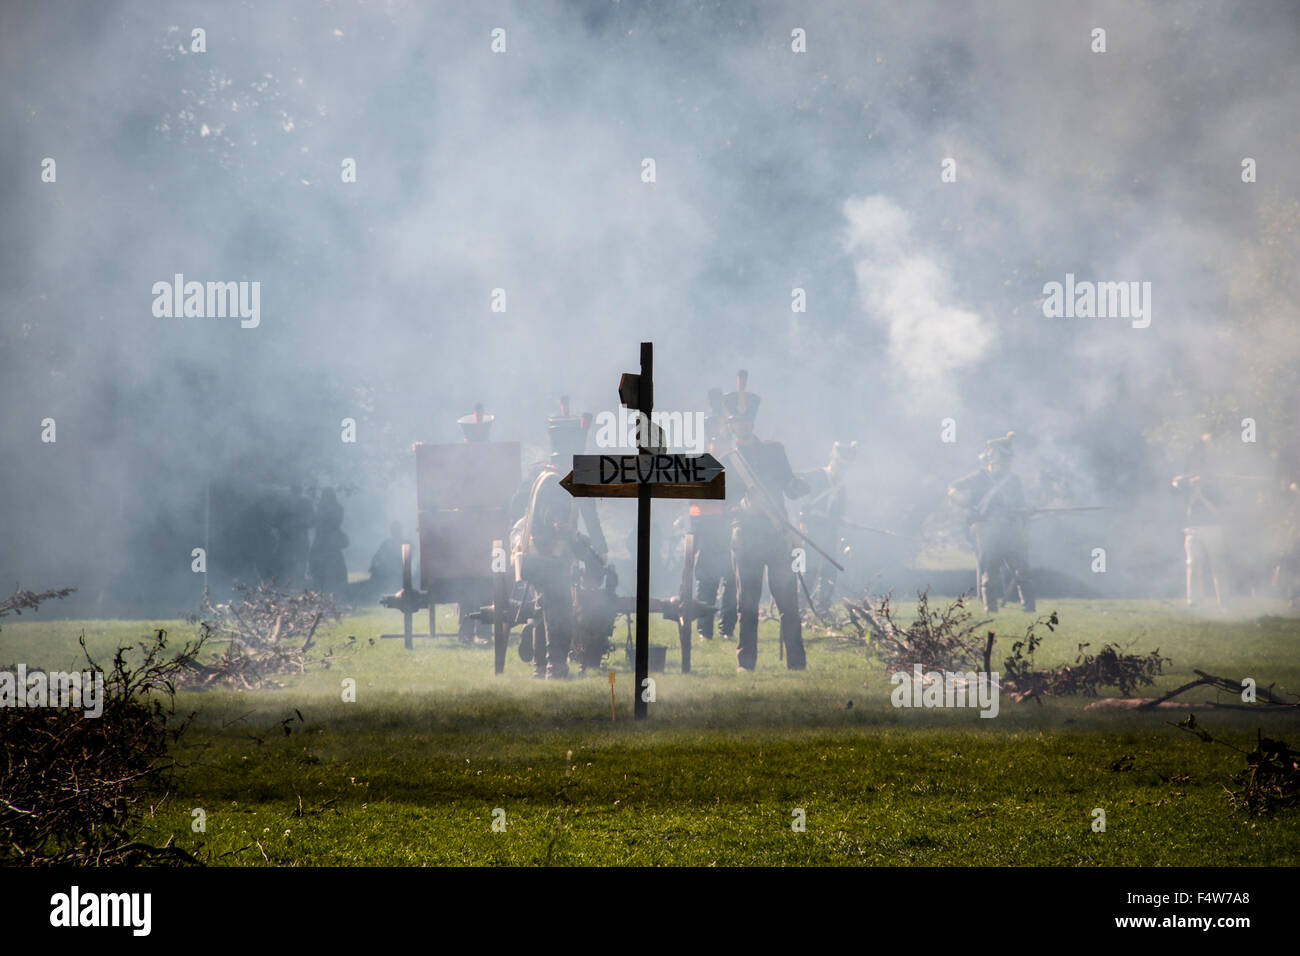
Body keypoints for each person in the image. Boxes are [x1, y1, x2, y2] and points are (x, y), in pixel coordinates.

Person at [510, 399, 610, 679]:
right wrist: (587, 552)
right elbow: (560, 528)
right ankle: (556, 668)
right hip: (547, 558)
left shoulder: (543, 475)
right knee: (561, 611)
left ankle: (541, 668)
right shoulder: (556, 483)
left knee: (545, 608)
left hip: (538, 558)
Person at [721, 372, 811, 671]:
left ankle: (797, 664)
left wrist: (799, 486)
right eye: (737, 421)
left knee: (788, 603)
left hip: (776, 536)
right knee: (747, 604)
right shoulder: (727, 460)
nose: (743, 425)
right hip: (746, 539)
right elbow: (723, 501)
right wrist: (740, 508)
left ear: (752, 423)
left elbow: (788, 484)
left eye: (746, 421)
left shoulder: (774, 450)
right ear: (731, 424)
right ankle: (745, 663)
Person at [947, 432, 1034, 613]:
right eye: (1003, 459)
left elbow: (1021, 506)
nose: (1006, 463)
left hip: (1010, 530)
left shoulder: (1014, 480)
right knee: (990, 571)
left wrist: (1027, 511)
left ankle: (1029, 609)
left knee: (1022, 570)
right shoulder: (979, 477)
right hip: (987, 530)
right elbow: (953, 488)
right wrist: (964, 503)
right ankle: (991, 608)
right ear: (992, 458)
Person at [690, 387, 737, 640]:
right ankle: (705, 629)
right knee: (707, 578)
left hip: (729, 522)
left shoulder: (735, 458)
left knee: (731, 578)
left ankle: (725, 628)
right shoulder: (702, 459)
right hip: (707, 524)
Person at [798, 440, 858, 614]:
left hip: (830, 533)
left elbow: (839, 513)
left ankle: (823, 607)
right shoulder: (816, 475)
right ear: (833, 460)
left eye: (845, 467)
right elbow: (794, 486)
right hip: (811, 531)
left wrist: (845, 520)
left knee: (830, 571)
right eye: (839, 464)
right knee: (808, 569)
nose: (841, 469)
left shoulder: (842, 487)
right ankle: (800, 606)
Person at [1171, 432, 1228, 609]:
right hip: (1192, 528)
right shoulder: (1189, 482)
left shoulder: (1215, 485)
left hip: (1213, 527)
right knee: (1193, 563)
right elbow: (1174, 484)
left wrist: (1200, 494)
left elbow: (1218, 512)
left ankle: (1223, 602)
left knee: (1218, 565)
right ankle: (1193, 601)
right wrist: (1182, 479)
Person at [308, 487, 350, 599]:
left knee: (336, 567)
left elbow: (335, 523)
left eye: (327, 495)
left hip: (331, 542)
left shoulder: (337, 508)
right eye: (324, 495)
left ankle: (339, 591)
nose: (325, 498)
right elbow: (315, 522)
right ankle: (319, 589)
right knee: (316, 565)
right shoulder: (321, 508)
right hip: (321, 541)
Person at [368, 521, 406, 595]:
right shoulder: (387, 543)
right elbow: (377, 556)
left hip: (400, 574)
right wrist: (373, 567)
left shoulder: (405, 544)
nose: (396, 532)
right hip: (388, 573)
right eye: (394, 530)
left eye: (397, 530)